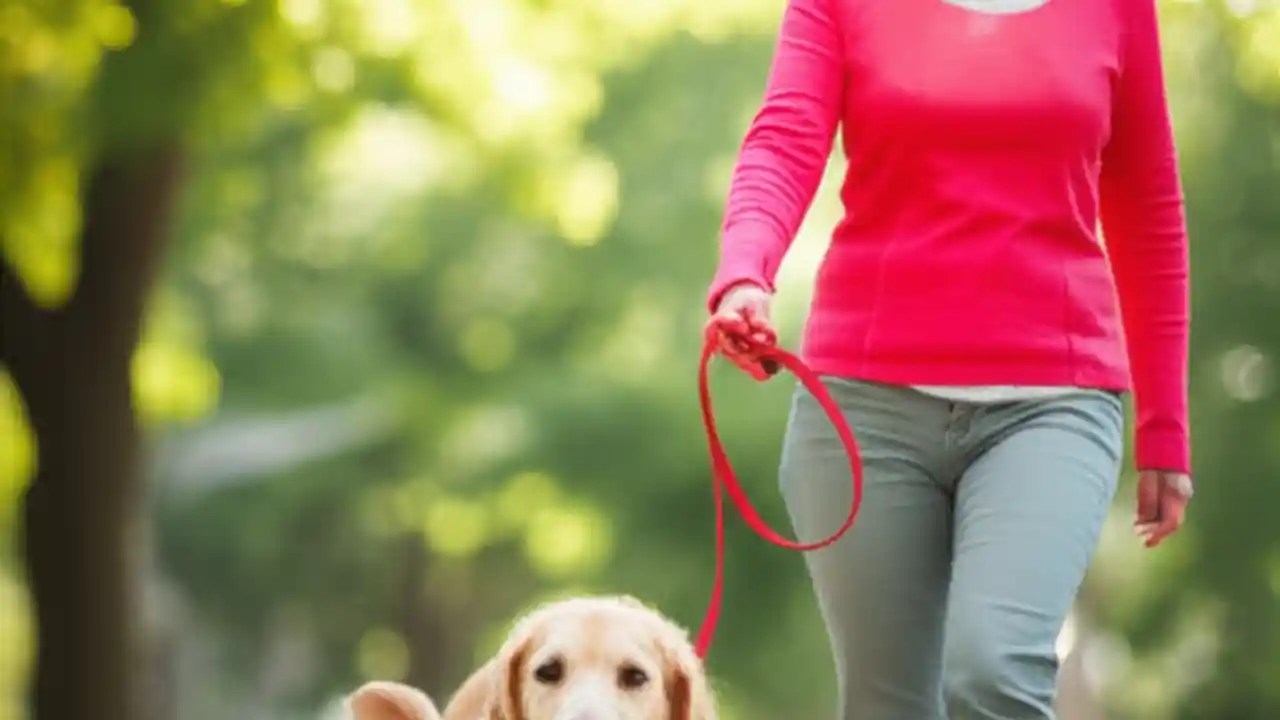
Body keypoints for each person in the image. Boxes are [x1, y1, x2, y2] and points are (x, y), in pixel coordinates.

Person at [703, 0, 1193, 717]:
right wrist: (746, 273)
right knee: (888, 705)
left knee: (994, 671)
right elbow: (785, 138)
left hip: (1051, 403)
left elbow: (1146, 199)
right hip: (865, 404)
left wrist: (1164, 424)